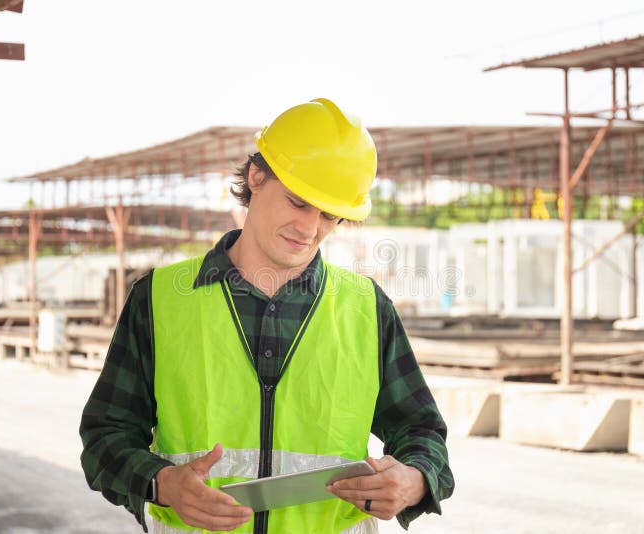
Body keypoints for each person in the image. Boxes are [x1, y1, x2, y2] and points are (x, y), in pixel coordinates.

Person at [80, 98, 454, 534]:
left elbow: (422, 429)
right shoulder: (159, 300)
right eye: (298, 203)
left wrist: (413, 480)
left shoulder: (367, 309)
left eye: (330, 215)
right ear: (256, 176)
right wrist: (163, 484)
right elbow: (105, 435)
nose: (310, 228)